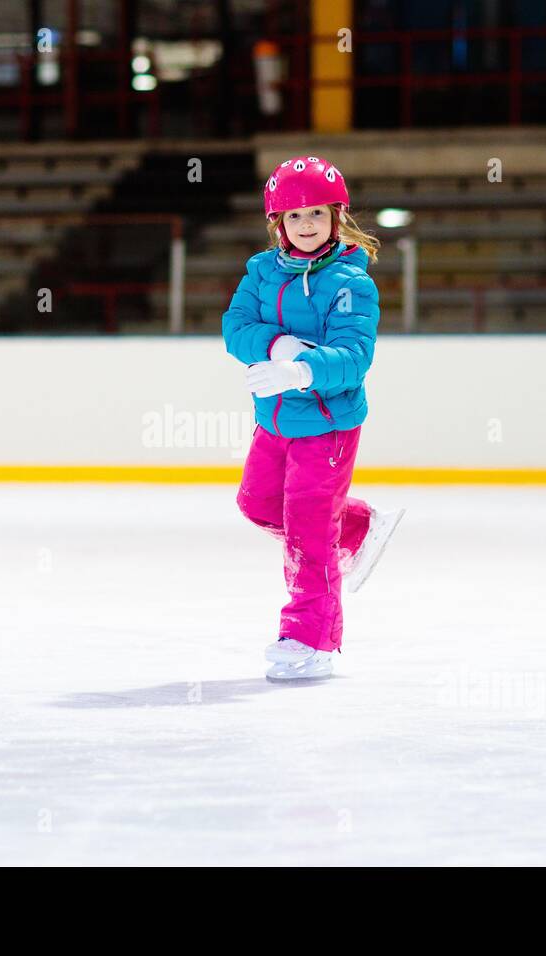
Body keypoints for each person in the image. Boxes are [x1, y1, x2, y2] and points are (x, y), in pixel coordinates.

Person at [222, 155, 406, 682]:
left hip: (327, 424)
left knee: (306, 530)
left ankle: (311, 638)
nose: (306, 226)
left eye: (317, 215)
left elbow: (354, 358)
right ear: (278, 223)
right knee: (257, 504)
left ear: (336, 218)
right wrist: (275, 343)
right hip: (274, 420)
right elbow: (235, 326)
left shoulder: (351, 284)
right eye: (294, 217)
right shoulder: (261, 272)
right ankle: (358, 524)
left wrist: (301, 371)